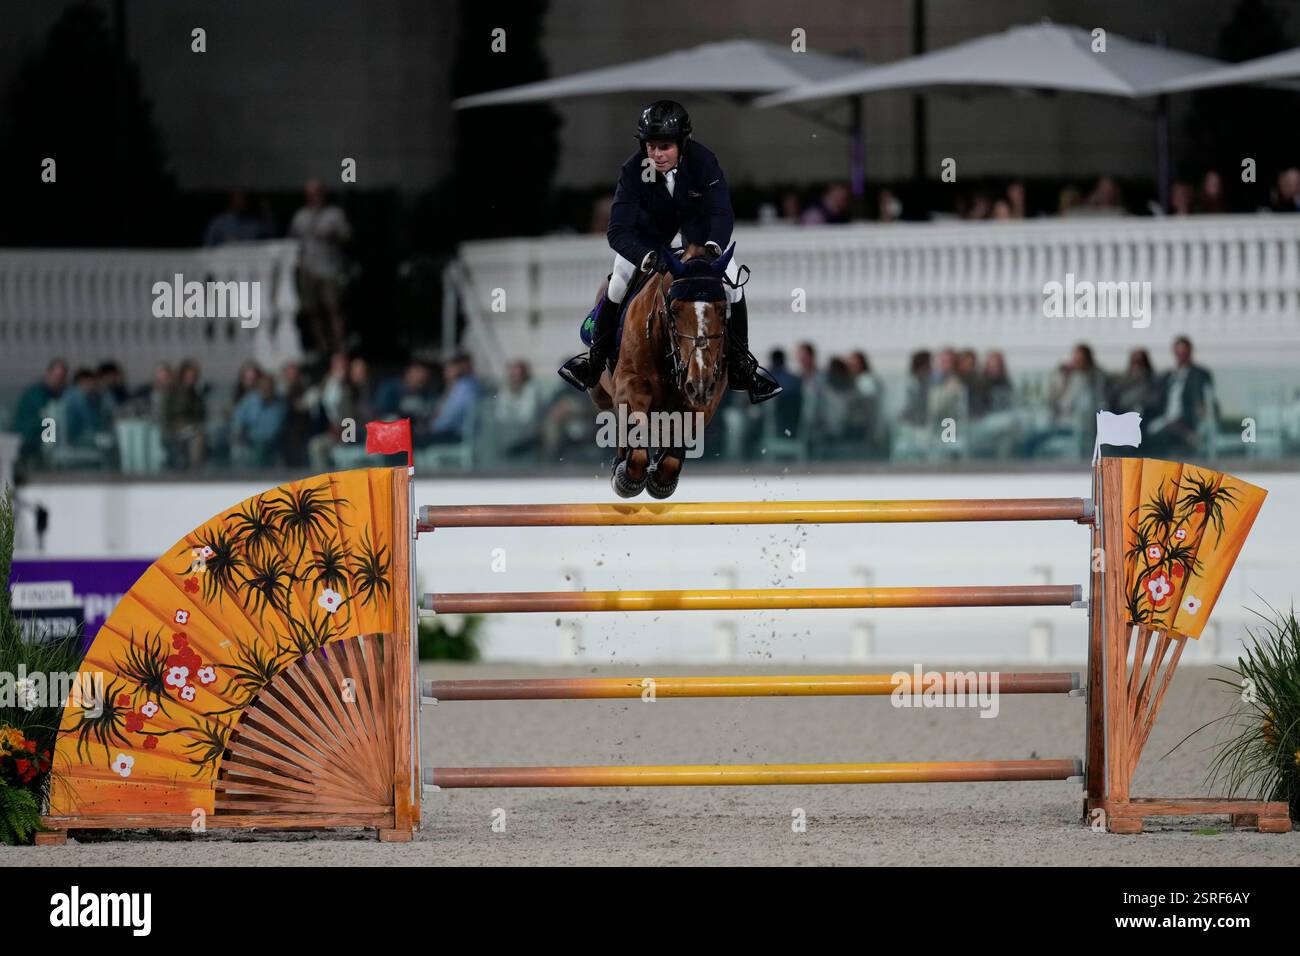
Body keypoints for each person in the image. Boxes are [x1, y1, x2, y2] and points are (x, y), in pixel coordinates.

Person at [557, 100, 780, 404]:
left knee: (734, 289)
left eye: (665, 146)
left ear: (682, 143)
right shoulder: (634, 170)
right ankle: (594, 361)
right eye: (651, 146)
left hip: (699, 245)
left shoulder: (703, 161)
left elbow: (720, 213)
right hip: (647, 246)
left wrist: (711, 249)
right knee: (618, 284)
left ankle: (743, 366)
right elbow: (618, 230)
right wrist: (647, 257)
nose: (657, 155)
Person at [289, 178, 353, 355]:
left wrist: (333, 235)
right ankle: (322, 347)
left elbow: (347, 237)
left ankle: (340, 347)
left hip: (331, 269)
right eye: (310, 194)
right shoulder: (300, 216)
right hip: (308, 270)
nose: (314, 197)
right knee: (313, 311)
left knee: (334, 308)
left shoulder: (335, 214)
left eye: (317, 193)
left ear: (323, 194)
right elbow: (293, 244)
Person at [1145, 337, 1214, 456]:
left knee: (1165, 435)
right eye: (1179, 353)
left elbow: (1203, 397)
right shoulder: (1168, 376)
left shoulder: (1199, 374)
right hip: (1164, 420)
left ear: (1190, 352)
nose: (1181, 356)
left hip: (1186, 420)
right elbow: (1156, 399)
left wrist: (1201, 409)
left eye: (1184, 353)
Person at [12, 359, 67, 463]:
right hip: (28, 445)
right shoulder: (34, 395)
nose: (58, 381)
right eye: (56, 377)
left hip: (47, 445)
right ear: (48, 374)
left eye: (61, 378)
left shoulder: (62, 396)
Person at [428, 352, 480, 444]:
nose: (445, 370)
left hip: (455, 435)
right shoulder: (462, 386)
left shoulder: (464, 387)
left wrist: (430, 428)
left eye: (449, 366)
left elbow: (450, 416)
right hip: (453, 433)